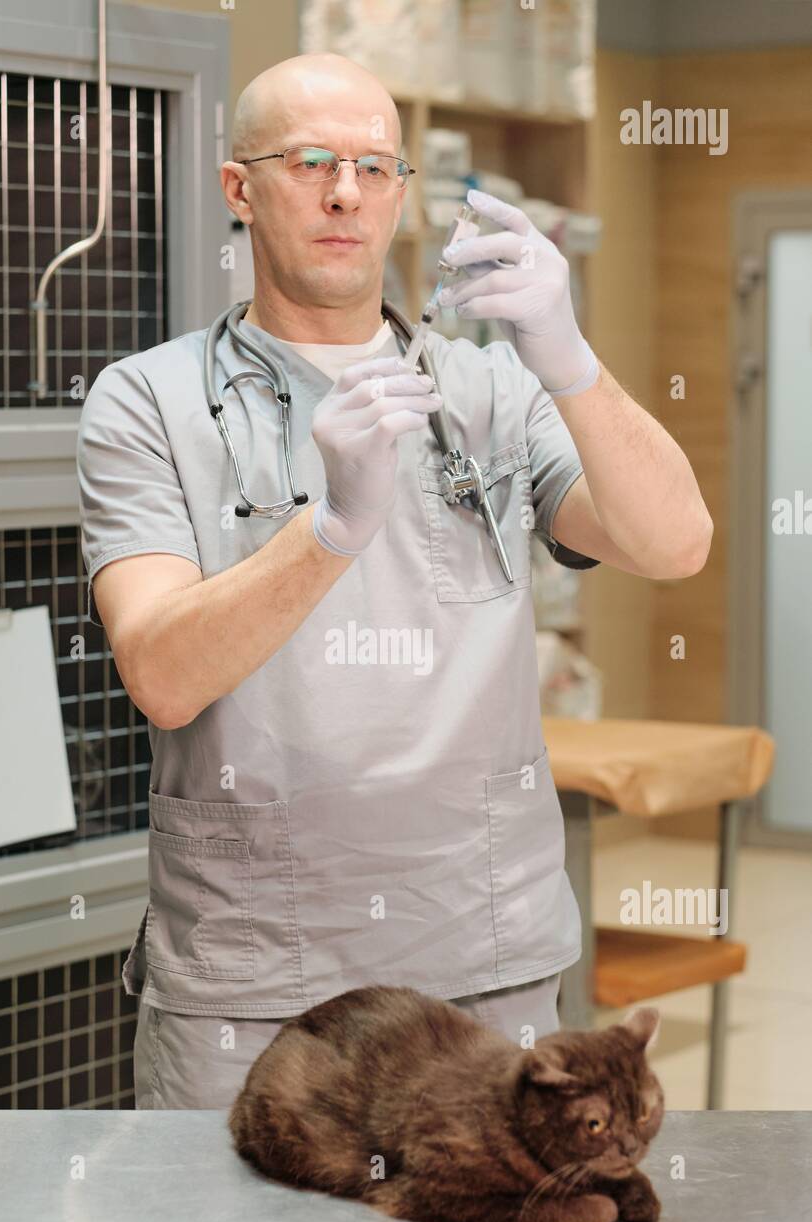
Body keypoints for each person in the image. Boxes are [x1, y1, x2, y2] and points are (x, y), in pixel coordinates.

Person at [77, 53, 712, 1109]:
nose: (344, 193)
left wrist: (570, 363)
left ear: (402, 191)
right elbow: (163, 674)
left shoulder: (489, 391)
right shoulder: (148, 404)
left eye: (375, 166)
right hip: (254, 981)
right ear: (238, 188)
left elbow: (673, 541)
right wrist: (328, 531)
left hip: (482, 960)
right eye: (311, 162)